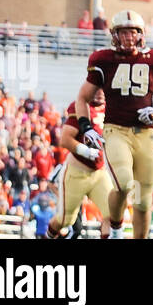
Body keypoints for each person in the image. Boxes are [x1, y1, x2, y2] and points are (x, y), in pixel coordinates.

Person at [75, 10, 153, 239]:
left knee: (144, 200)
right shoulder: (103, 59)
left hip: (145, 135)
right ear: (114, 35)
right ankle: (116, 228)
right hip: (116, 131)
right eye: (123, 32)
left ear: (141, 35)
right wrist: (87, 127)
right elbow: (82, 98)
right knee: (123, 183)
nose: (128, 37)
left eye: (132, 32)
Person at [47, 89, 114, 239]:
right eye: (96, 88)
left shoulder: (112, 109)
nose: (100, 92)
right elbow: (65, 139)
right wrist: (86, 151)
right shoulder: (81, 107)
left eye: (103, 88)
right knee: (65, 220)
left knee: (112, 215)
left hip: (99, 173)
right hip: (77, 171)